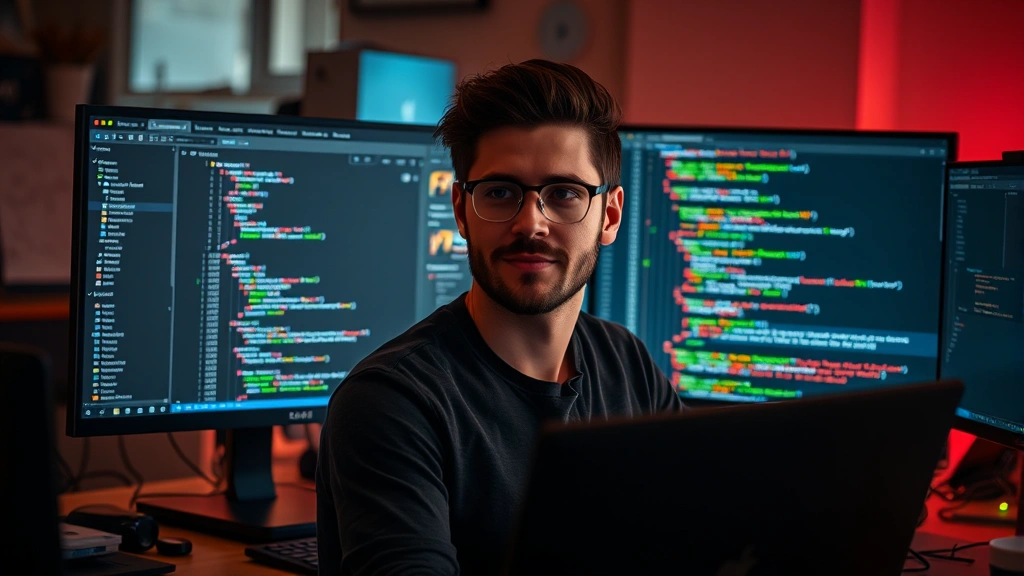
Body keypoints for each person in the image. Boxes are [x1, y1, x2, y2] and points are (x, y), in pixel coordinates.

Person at [316, 59, 686, 576]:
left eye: (563, 194)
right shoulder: (391, 402)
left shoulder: (628, 365)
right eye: (500, 192)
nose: (530, 223)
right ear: (462, 212)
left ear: (610, 216)